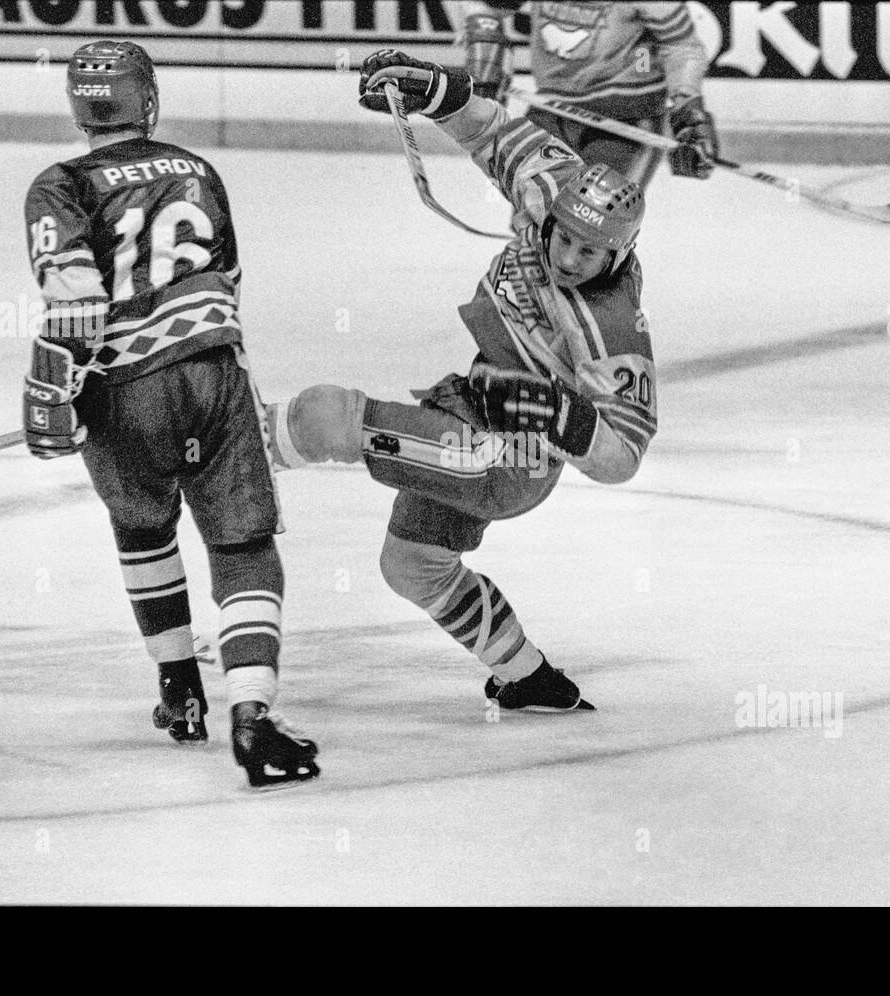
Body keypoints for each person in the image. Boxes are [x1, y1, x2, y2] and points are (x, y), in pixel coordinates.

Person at [265, 49, 658, 712]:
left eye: (590, 253)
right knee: (411, 565)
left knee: (326, 417)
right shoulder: (550, 185)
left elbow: (623, 457)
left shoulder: (610, 326)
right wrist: (436, 90)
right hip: (472, 409)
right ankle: (528, 676)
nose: (568, 256)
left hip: (508, 459)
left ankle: (225, 453)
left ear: (619, 253)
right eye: (564, 238)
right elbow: (490, 131)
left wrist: (562, 415)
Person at [22, 40, 317, 787]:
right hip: (213, 369)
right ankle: (250, 713)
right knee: (242, 542)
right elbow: (229, 276)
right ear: (145, 99)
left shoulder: (59, 184)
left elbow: (78, 303)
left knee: (143, 525)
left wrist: (50, 390)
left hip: (122, 391)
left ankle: (180, 689)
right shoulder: (196, 168)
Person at [462, 1, 717, 188]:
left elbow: (681, 46)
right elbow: (485, 7)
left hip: (626, 116)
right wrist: (485, 41)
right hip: (551, 107)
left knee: (598, 222)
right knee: (533, 212)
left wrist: (688, 108)